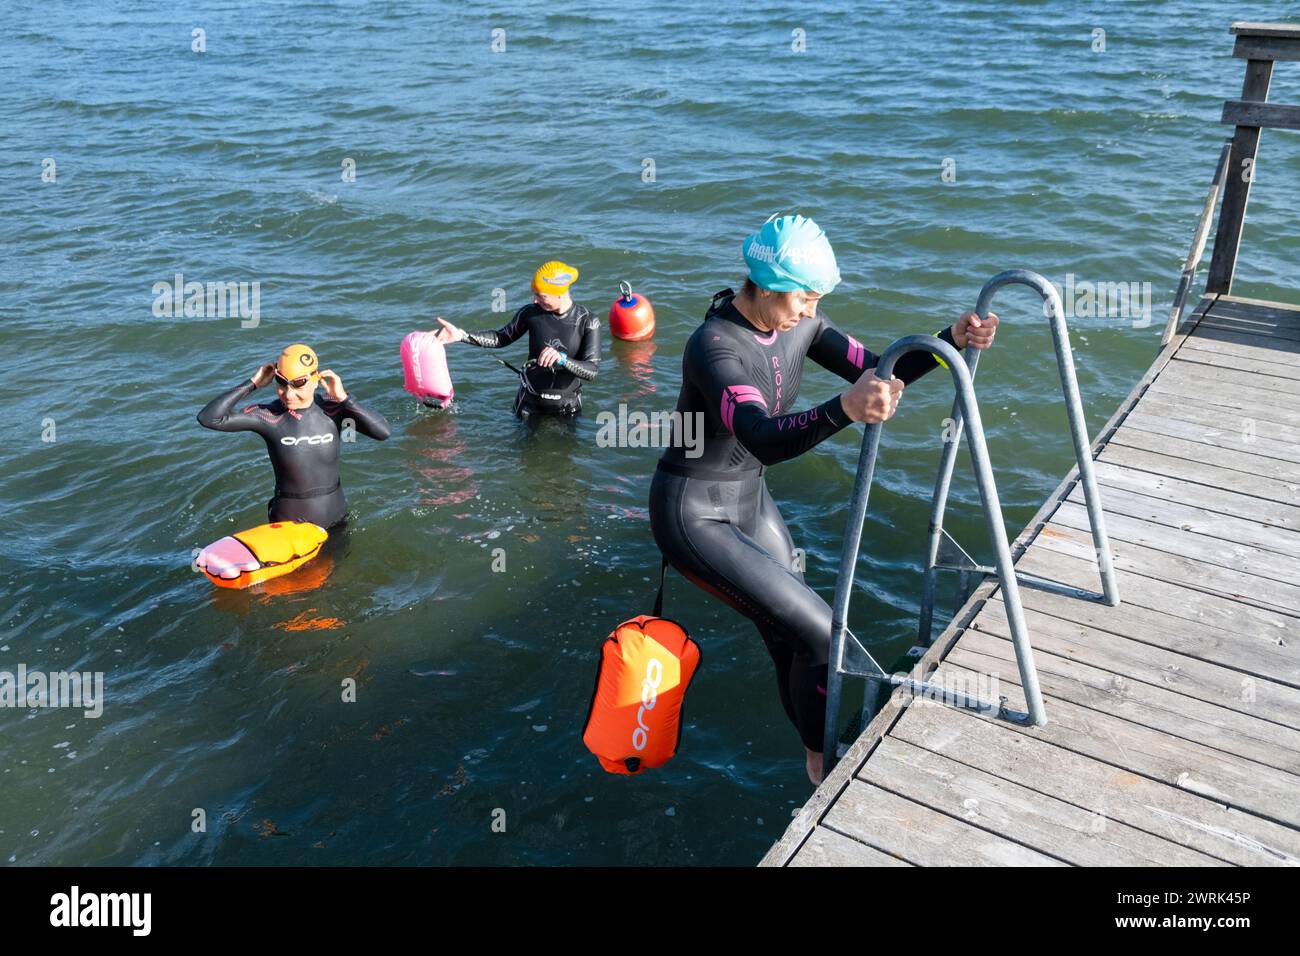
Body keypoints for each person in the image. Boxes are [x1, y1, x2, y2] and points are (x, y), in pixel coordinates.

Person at [647, 215, 999, 785]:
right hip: (693, 516)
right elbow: (760, 434)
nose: (810, 311)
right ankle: (823, 766)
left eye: (816, 300)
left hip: (748, 500)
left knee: (795, 634)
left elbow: (877, 368)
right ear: (764, 284)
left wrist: (949, 339)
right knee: (820, 632)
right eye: (804, 298)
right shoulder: (714, 348)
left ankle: (817, 747)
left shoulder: (801, 324)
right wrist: (845, 408)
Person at [197, 343, 391, 529]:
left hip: (335, 519)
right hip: (287, 524)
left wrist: (345, 399)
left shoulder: (334, 408)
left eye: (298, 384)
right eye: (281, 383)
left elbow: (383, 432)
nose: (289, 394)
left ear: (315, 380)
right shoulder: (268, 415)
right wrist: (252, 384)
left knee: (338, 564)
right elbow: (209, 418)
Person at [432, 260, 600, 418]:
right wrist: (461, 335)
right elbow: (500, 338)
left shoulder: (587, 321)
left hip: (567, 406)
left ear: (559, 294)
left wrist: (562, 359)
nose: (535, 300)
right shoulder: (530, 313)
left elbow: (591, 371)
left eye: (541, 295)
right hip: (529, 402)